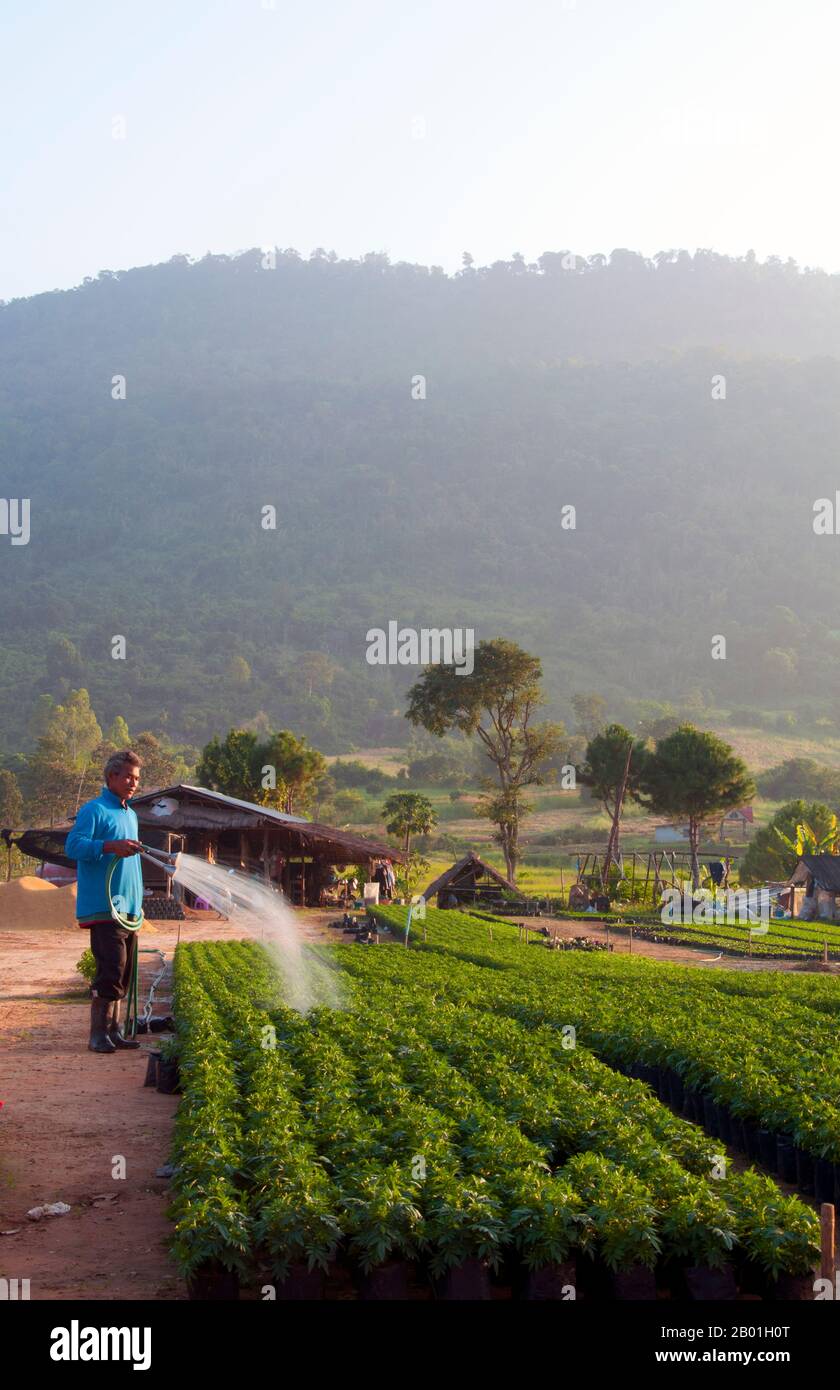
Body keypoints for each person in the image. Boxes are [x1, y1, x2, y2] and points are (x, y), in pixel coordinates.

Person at [65, 751, 144, 1053]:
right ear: (111, 777)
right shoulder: (94, 810)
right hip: (104, 905)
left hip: (129, 909)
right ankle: (97, 1033)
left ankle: (115, 1030)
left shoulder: (130, 814)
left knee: (125, 972)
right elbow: (73, 846)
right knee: (111, 968)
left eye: (136, 778)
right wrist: (110, 846)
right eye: (126, 776)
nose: (132, 783)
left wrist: (137, 904)